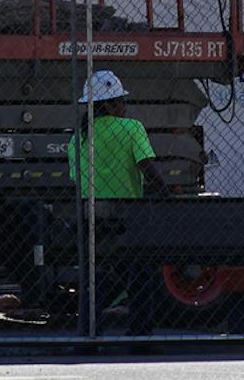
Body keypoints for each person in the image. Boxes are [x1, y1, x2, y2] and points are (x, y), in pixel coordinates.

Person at [68, 68, 164, 338]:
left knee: (94, 278)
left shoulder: (78, 139)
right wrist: (165, 192)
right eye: (119, 100)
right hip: (128, 218)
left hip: (92, 217)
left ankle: (89, 333)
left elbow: (77, 179)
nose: (124, 105)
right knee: (141, 275)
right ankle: (140, 335)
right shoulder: (132, 128)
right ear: (107, 104)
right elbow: (147, 167)